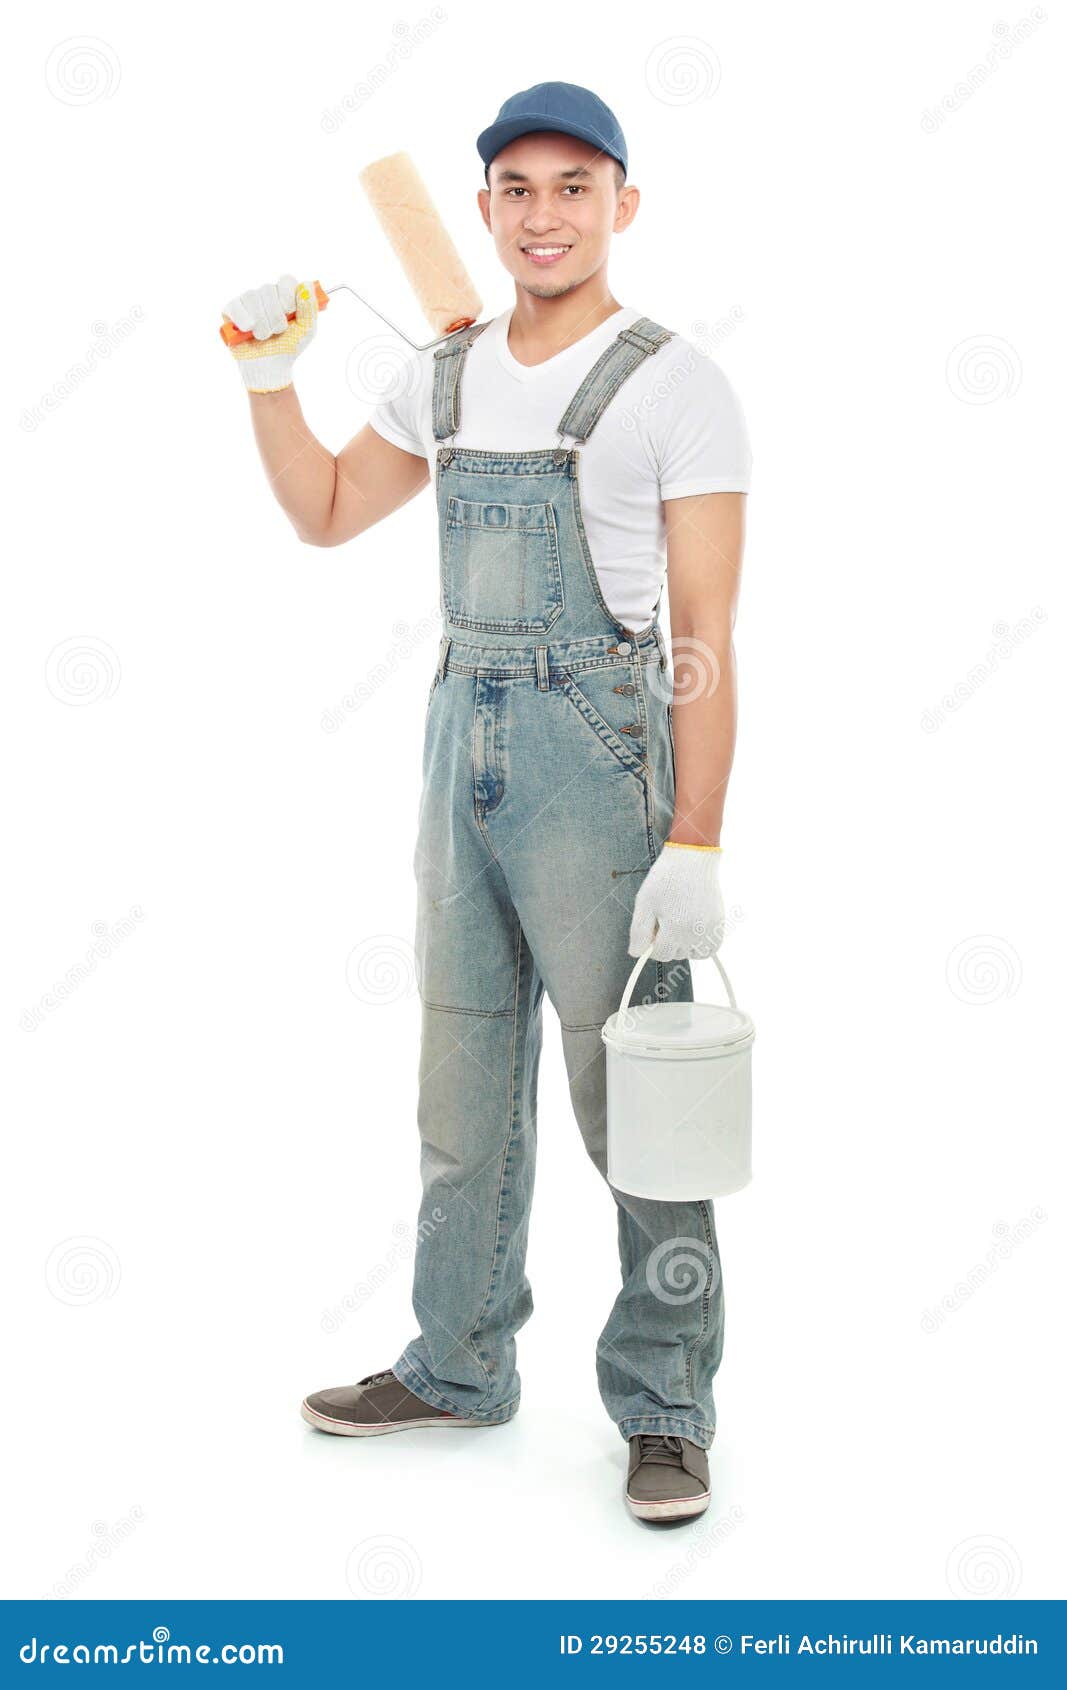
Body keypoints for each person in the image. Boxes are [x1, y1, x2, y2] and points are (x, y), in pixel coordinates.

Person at [222, 82, 751, 1524]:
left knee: (630, 1099)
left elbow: (703, 625)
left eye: (574, 187)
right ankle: (456, 1363)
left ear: (621, 205)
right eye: (516, 188)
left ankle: (663, 1404)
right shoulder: (444, 375)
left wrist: (695, 834)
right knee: (460, 1088)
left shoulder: (673, 381)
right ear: (484, 211)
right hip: (462, 740)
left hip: (603, 747)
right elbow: (328, 510)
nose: (544, 213)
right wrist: (272, 376)